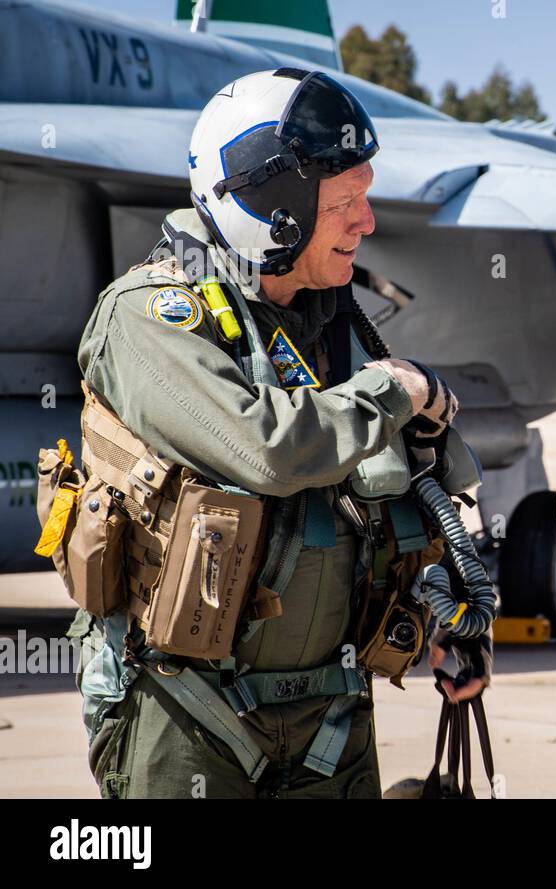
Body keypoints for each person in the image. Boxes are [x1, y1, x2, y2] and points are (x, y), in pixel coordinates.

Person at [37, 68, 489, 798]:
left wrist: (447, 614)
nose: (366, 222)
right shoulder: (150, 316)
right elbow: (267, 449)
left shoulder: (329, 323)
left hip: (331, 716)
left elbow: (409, 488)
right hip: (188, 715)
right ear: (271, 211)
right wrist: (392, 390)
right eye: (345, 202)